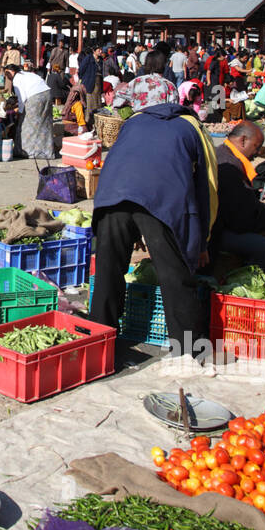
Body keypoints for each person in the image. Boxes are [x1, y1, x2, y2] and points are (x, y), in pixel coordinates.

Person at [90, 98, 217, 355]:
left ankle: (99, 343)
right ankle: (189, 350)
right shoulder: (194, 126)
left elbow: (122, 162)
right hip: (162, 200)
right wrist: (202, 239)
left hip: (112, 194)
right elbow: (208, 187)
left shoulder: (133, 120)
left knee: (107, 270)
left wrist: (132, 225)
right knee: (174, 274)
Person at [212, 121, 265, 272]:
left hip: (218, 224)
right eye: (256, 146)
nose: (257, 153)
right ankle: (254, 283)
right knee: (261, 246)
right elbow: (240, 220)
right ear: (243, 140)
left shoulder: (222, 152)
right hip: (215, 232)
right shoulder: (229, 165)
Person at [3, 64, 54, 159]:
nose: (7, 76)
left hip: (35, 97)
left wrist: (20, 112)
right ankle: (46, 151)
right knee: (44, 124)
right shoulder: (27, 74)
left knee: (27, 124)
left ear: (12, 71)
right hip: (47, 94)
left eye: (7, 73)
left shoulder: (17, 79)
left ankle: (27, 151)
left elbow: (22, 98)